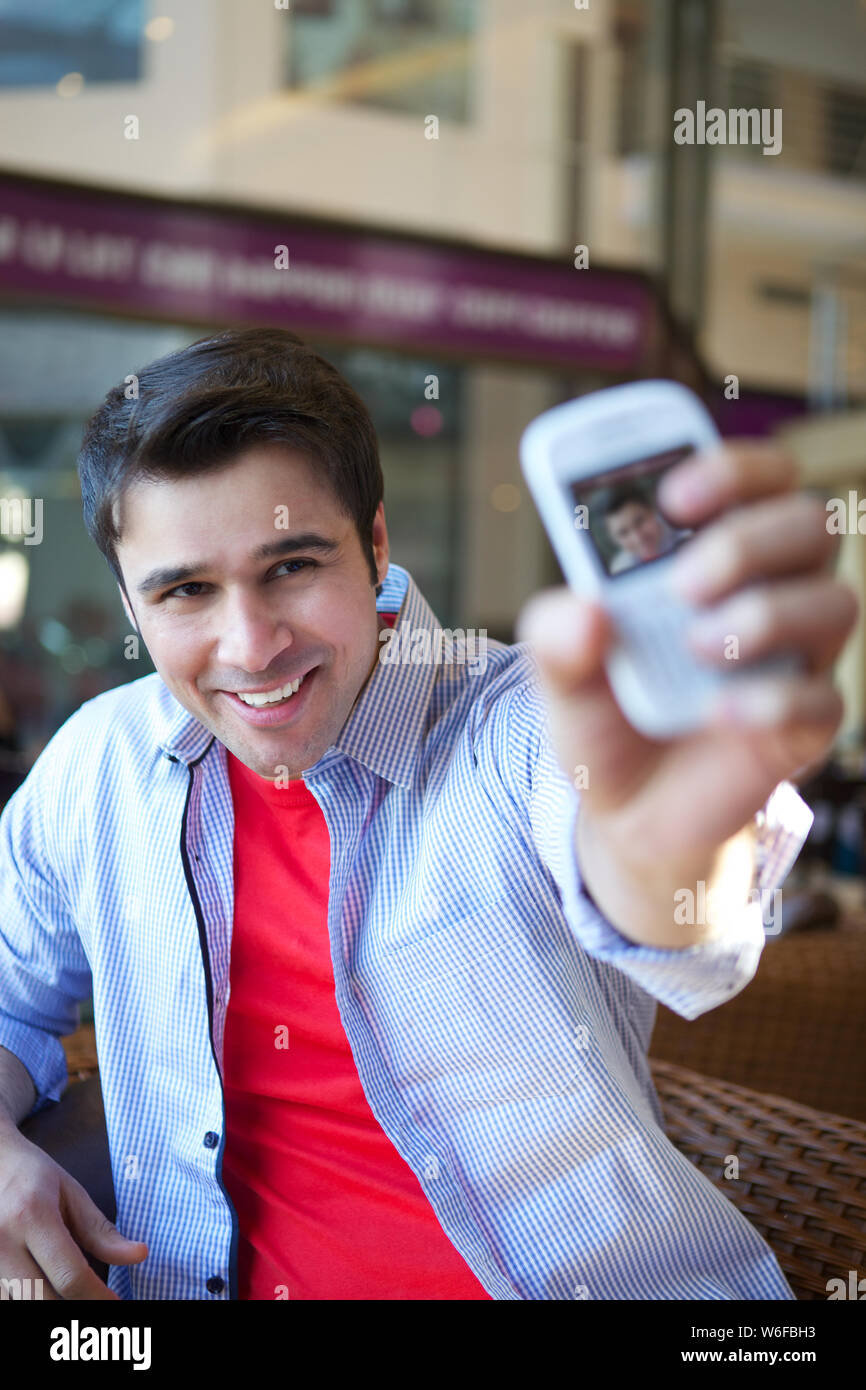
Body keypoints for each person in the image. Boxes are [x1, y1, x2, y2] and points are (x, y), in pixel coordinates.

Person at [0, 328, 856, 1301]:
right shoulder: (99, 764)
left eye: (291, 566)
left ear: (373, 545)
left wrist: (672, 841)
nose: (251, 645)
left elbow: (664, 889)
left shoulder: (516, 719)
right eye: (186, 590)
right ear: (128, 601)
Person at [601, 486, 689, 573]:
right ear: (613, 539)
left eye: (639, 521)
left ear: (652, 511)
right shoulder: (620, 569)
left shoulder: (689, 536)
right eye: (623, 533)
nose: (638, 538)